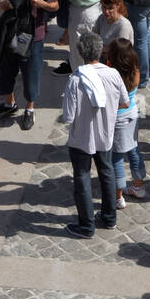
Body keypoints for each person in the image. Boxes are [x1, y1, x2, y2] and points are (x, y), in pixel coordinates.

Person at [62, 30, 128, 237]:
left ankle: (86, 226)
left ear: (81, 53)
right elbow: (125, 101)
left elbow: (68, 117)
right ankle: (109, 218)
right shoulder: (113, 74)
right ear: (100, 51)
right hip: (105, 135)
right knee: (107, 173)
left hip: (81, 138)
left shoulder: (75, 80)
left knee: (82, 178)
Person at [0, 0, 58, 130]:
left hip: (33, 36)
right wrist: (4, 2)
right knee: (6, 70)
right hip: (11, 31)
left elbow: (55, 4)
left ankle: (29, 109)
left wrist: (41, 4)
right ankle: (9, 104)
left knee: (31, 74)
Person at [104, 39, 146, 206]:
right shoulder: (135, 71)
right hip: (132, 115)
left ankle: (117, 196)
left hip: (117, 118)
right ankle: (138, 186)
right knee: (134, 150)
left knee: (116, 157)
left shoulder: (111, 76)